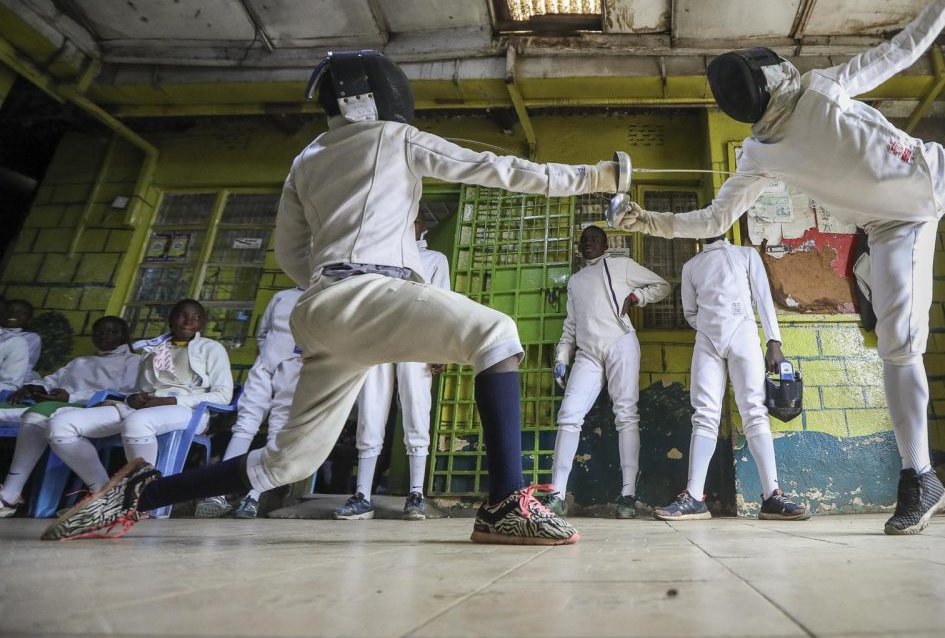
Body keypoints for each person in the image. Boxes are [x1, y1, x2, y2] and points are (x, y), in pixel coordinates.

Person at [43, 50, 620, 544]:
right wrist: (596, 177)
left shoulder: (306, 159)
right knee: (497, 334)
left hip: (318, 308)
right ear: (374, 98)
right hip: (367, 293)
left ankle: (139, 495)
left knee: (288, 460)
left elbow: (290, 254)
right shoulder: (396, 137)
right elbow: (497, 169)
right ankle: (505, 506)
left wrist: (335, 286)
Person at [615, 0, 945, 535]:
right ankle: (919, 478)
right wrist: (643, 221)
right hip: (893, 225)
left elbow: (900, 53)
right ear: (774, 76)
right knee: (899, 347)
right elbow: (712, 222)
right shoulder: (776, 136)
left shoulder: (788, 124)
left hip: (939, 174)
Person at [654, 236, 806, 521]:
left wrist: (774, 341)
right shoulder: (691, 266)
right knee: (704, 413)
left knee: (755, 411)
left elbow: (762, 296)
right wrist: (714, 325)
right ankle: (695, 497)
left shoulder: (745, 255)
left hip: (744, 333)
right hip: (708, 340)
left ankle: (772, 495)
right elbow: (690, 312)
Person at [543, 225, 670, 519]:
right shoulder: (575, 281)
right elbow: (571, 324)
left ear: (604, 243)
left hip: (620, 343)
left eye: (593, 239)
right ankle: (557, 494)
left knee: (626, 415)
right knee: (569, 416)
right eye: (583, 240)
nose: (587, 244)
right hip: (588, 353)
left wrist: (636, 297)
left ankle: (627, 495)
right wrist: (562, 356)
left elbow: (661, 285)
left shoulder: (621, 266)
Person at [43, 300, 232, 497]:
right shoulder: (153, 348)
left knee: (137, 422)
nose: (188, 322)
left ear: (202, 323)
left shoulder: (211, 348)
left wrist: (170, 401)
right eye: (181, 315)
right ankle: (103, 492)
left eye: (196, 317)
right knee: (60, 424)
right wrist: (134, 398)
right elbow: (140, 388)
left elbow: (223, 395)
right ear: (170, 319)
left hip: (188, 410)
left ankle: (144, 495)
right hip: (144, 408)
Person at [337, 213, 450, 521]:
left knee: (416, 407)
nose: (405, 223)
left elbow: (443, 302)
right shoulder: (377, 258)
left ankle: (415, 493)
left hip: (417, 340)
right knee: (370, 411)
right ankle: (362, 493)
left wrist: (441, 346)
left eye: (412, 219)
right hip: (377, 340)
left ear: (423, 225)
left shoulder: (434, 259)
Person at [0, 316, 140, 517]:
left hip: (94, 409)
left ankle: (10, 494)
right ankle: (10, 494)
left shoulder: (134, 362)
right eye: (99, 332)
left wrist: (72, 396)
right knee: (34, 416)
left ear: (125, 336)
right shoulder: (80, 361)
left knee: (37, 416)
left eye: (112, 332)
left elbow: (126, 394)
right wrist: (36, 387)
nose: (105, 336)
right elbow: (52, 380)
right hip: (60, 404)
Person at [195, 286, 305, 519]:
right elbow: (263, 333)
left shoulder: (326, 294)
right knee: (245, 425)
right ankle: (219, 492)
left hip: (298, 368)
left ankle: (254, 496)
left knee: (277, 430)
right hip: (265, 365)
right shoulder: (282, 296)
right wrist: (267, 356)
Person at [0, 299, 40, 381]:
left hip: (16, 379)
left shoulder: (30, 337)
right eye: (9, 310)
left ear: (29, 320)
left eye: (22, 312)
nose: (13, 314)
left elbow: (19, 364)